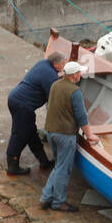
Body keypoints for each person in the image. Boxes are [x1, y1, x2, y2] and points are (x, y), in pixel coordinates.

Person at [40, 61, 99, 212]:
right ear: (74, 75)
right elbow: (81, 117)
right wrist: (89, 135)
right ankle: (58, 202)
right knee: (64, 169)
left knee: (58, 165)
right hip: (65, 134)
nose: (81, 75)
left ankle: (46, 197)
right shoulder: (75, 91)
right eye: (79, 73)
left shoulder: (55, 85)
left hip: (51, 131)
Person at [5, 52, 66, 175]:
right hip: (22, 106)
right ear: (56, 64)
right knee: (19, 135)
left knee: (31, 133)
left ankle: (43, 161)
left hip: (16, 99)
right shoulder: (50, 76)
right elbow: (55, 97)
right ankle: (12, 167)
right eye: (64, 63)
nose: (65, 66)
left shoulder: (43, 64)